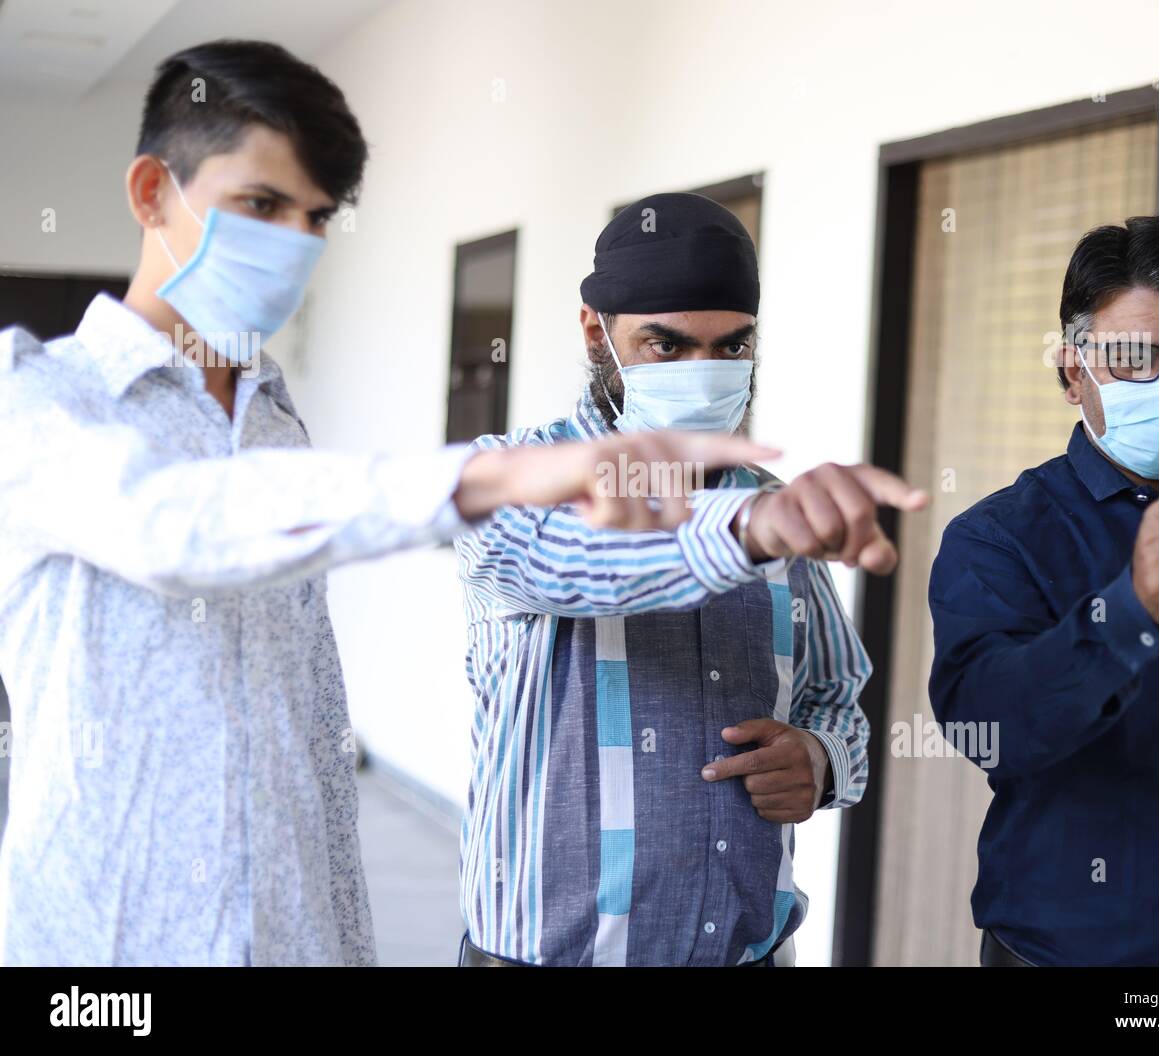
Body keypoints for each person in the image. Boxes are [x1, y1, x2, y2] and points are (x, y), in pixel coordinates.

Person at [0, 40, 771, 967]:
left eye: (316, 216)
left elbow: (312, 719)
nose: (294, 242)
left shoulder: (275, 418)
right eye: (260, 205)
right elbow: (177, 525)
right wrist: (490, 479)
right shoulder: (37, 398)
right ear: (151, 193)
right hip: (103, 949)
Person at [453, 192, 928, 966]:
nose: (704, 374)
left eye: (731, 347)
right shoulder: (509, 475)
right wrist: (741, 535)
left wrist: (818, 759)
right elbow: (577, 568)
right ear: (594, 332)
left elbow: (837, 700)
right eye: (665, 348)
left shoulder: (777, 514)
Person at [929, 215, 1159, 966]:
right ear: (1074, 371)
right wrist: (1131, 610)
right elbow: (986, 729)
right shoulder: (1000, 537)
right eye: (1133, 358)